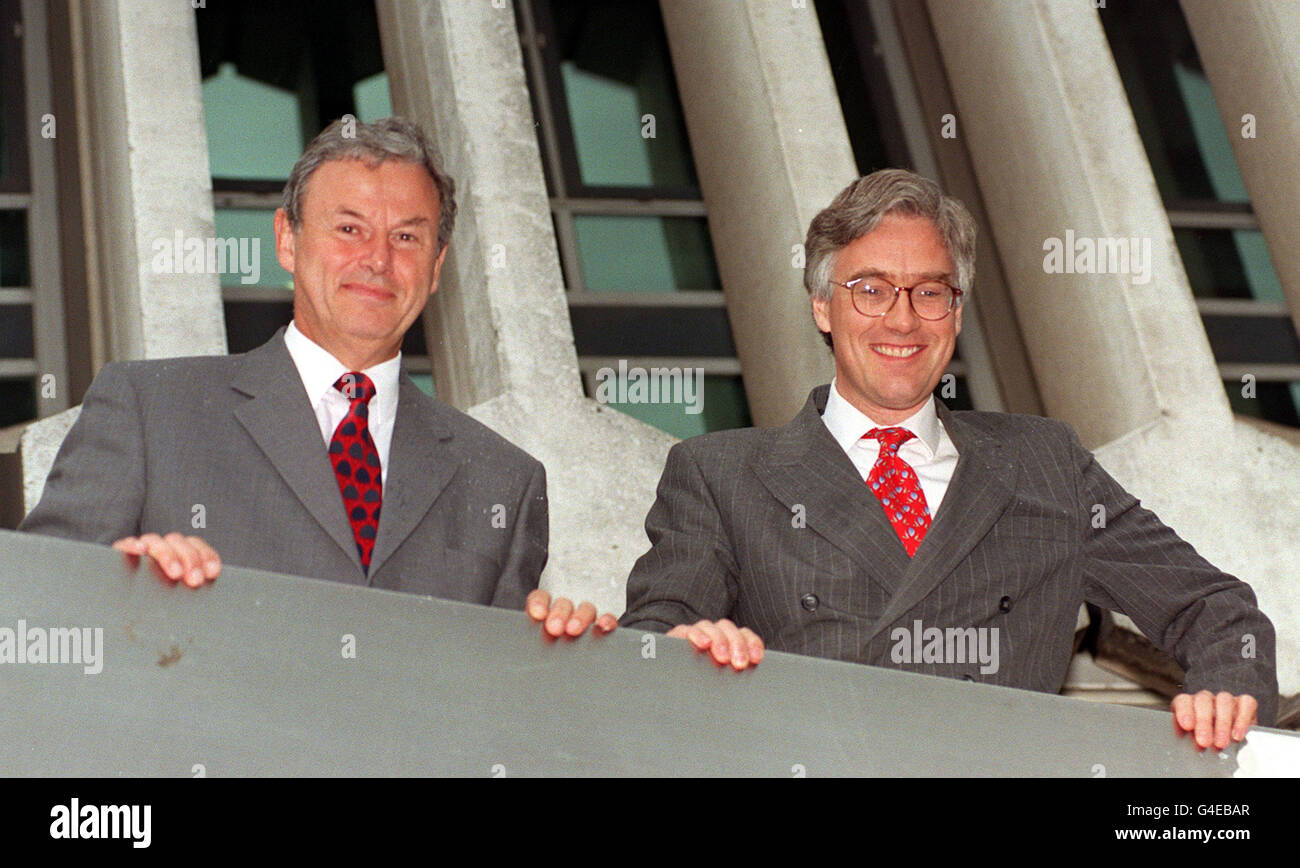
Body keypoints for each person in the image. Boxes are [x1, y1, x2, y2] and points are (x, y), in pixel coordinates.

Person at [620, 169, 1278, 747]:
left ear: (956, 313)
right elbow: (647, 645)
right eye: (871, 290)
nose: (902, 321)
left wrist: (1224, 691)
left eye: (929, 292)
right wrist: (681, 656)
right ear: (823, 307)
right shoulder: (718, 473)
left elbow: (1217, 610)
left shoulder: (1047, 463)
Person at [21, 116, 611, 638]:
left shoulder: (504, 482)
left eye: (406, 236)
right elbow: (36, 606)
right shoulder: (149, 411)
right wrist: (116, 585)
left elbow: (500, 714)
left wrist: (558, 663)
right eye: (349, 228)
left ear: (435, 268)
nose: (378, 259)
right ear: (286, 239)